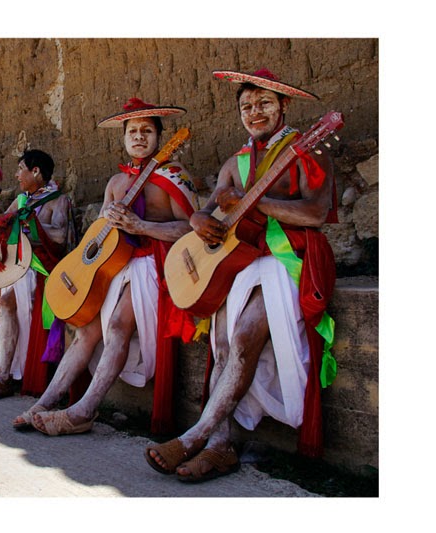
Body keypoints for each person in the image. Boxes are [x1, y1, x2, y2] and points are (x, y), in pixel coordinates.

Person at [145, 68, 337, 482]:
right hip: (242, 260)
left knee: (246, 335)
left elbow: (316, 213)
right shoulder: (236, 162)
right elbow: (211, 210)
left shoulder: (306, 150)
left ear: (284, 106)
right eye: (246, 106)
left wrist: (257, 202)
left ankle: (196, 436)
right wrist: (198, 220)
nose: (255, 112)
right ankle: (221, 448)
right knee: (221, 342)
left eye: (265, 103)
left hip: (290, 259)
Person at [14, 99, 199, 436]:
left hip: (152, 265)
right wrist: (106, 223)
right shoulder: (116, 182)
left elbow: (190, 229)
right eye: (132, 131)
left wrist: (141, 226)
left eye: (147, 130)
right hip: (114, 267)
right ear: (124, 138)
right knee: (84, 331)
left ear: (161, 136)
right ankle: (45, 401)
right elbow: (97, 235)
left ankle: (84, 410)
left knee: (115, 326)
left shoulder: (175, 175)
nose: (139, 137)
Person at [0, 149, 73, 401]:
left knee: (4, 302)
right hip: (14, 269)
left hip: (40, 271)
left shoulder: (59, 200)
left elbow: (59, 236)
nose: (16, 174)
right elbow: (1, 222)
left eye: (21, 168)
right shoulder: (22, 200)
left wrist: (29, 223)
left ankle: (2, 378)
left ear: (36, 172)